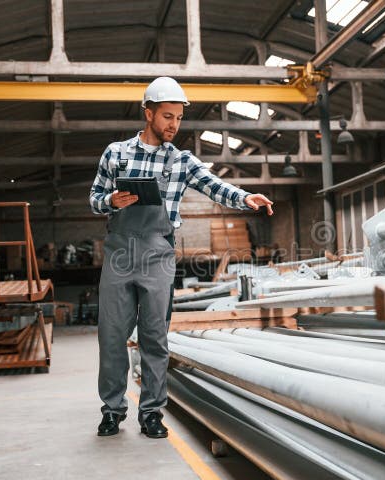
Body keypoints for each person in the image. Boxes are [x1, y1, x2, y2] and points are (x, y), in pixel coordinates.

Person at [89, 77, 274, 438]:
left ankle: (152, 413)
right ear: (148, 114)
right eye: (167, 116)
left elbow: (214, 185)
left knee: (155, 336)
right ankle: (112, 410)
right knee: (111, 336)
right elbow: (94, 196)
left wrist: (245, 197)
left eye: (178, 118)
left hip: (159, 252)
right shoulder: (116, 153)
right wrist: (111, 201)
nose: (174, 124)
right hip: (120, 252)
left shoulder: (182, 161)